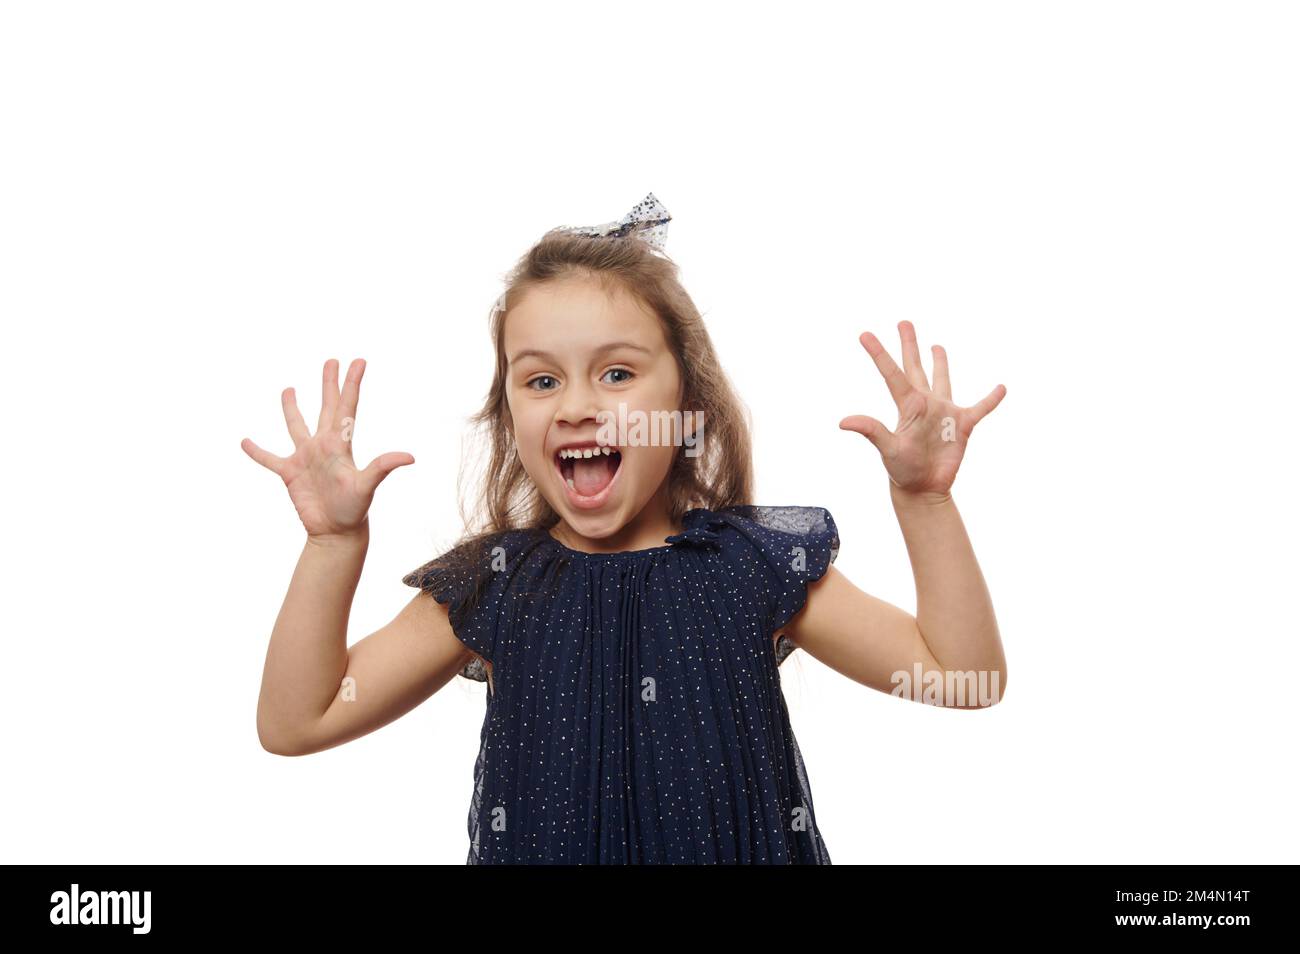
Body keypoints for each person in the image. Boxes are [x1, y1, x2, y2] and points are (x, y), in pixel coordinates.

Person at [242, 192, 1009, 864]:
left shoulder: (747, 568)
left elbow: (961, 677)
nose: (576, 405)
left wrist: (925, 502)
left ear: (688, 402)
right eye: (542, 379)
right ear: (511, 414)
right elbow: (295, 721)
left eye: (616, 373)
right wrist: (333, 547)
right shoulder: (497, 587)